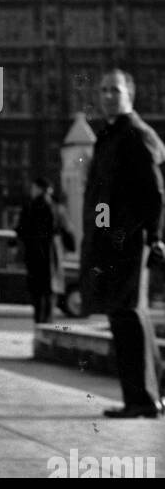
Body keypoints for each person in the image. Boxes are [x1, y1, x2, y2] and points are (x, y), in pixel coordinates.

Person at [80, 68, 165, 418]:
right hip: (110, 240)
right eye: (103, 91)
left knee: (128, 314)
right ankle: (144, 397)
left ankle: (142, 400)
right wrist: (99, 232)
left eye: (115, 90)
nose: (108, 96)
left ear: (131, 94)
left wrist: (156, 237)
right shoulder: (110, 136)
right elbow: (101, 195)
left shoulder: (134, 134)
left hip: (129, 239)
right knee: (125, 316)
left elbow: (155, 191)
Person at [15, 176, 66, 324]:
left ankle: (40, 322)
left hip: (35, 254)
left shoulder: (30, 206)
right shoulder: (56, 207)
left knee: (37, 292)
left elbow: (21, 229)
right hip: (52, 253)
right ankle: (48, 321)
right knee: (50, 290)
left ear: (38, 189)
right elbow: (63, 229)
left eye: (32, 188)